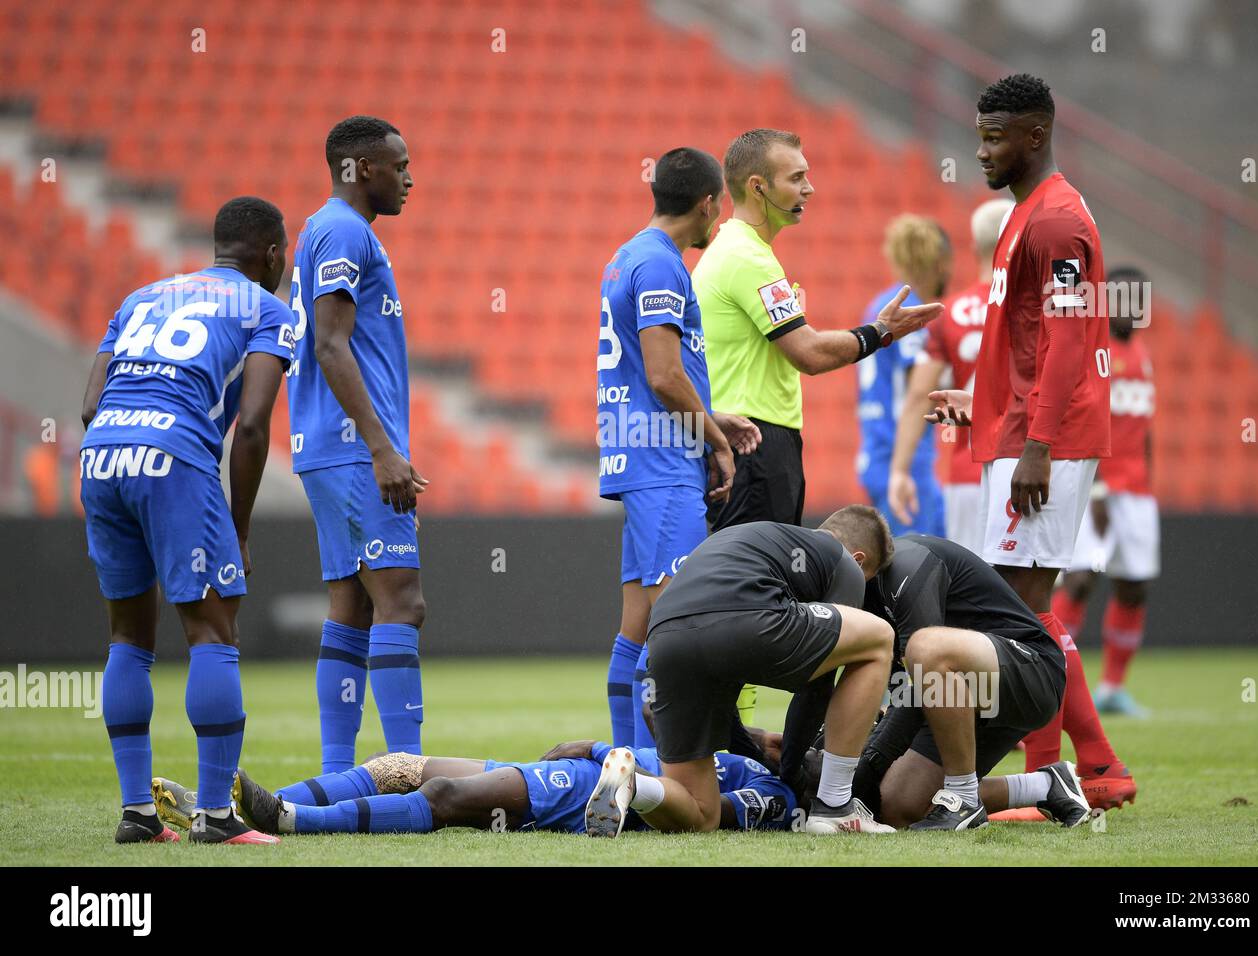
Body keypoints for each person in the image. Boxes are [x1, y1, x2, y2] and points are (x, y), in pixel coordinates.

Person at [926, 73, 1137, 811]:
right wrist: (982, 404)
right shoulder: (1025, 214)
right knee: (1021, 610)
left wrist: (1039, 443)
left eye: (995, 138)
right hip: (1021, 430)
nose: (981, 151)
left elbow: (1070, 340)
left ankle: (1072, 771)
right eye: (979, 137)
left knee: (1019, 612)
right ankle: (1082, 768)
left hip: (1046, 440)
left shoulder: (1054, 221)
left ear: (1035, 135)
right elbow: (1028, 341)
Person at [692, 128, 941, 723]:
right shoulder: (747, 258)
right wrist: (879, 334)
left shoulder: (742, 252)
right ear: (758, 186)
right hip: (754, 445)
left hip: (758, 442)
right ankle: (734, 743)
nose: (810, 187)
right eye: (797, 177)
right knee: (748, 601)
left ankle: (739, 738)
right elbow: (807, 352)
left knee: (751, 596)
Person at [79, 196, 295, 845]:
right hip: (173, 454)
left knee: (128, 637)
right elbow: (252, 426)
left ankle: (137, 815)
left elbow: (89, 405)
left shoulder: (142, 297)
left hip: (102, 453)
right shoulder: (267, 309)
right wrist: (238, 526)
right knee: (212, 632)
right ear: (272, 255)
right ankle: (215, 815)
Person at [583, 507, 899, 836]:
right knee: (879, 639)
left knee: (702, 814)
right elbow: (815, 688)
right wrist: (791, 776)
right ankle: (835, 807)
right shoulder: (842, 561)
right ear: (859, 559)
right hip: (741, 616)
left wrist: (752, 749)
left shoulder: (754, 543)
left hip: (664, 637)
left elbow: (720, 683)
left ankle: (632, 783)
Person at [597, 147, 760, 750]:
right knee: (676, 622)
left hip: (639, 453)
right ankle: (664, 767)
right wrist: (715, 441)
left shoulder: (626, 257)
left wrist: (710, 416)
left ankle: (631, 761)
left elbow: (657, 374)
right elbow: (665, 375)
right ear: (708, 204)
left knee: (638, 625)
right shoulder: (661, 264)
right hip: (663, 461)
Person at [286, 116, 427, 773]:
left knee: (354, 605)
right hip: (350, 450)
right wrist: (380, 448)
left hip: (331, 447)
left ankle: (338, 775)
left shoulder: (332, 229)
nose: (409, 178)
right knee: (402, 601)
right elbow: (329, 343)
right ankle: (407, 770)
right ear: (362, 168)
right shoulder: (343, 230)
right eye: (400, 165)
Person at [781, 531, 1087, 830]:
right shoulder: (863, 593)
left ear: (857, 560)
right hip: (957, 697)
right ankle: (1045, 786)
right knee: (897, 805)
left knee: (926, 646)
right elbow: (892, 692)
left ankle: (964, 798)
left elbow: (917, 685)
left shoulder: (908, 565)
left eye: (823, 571)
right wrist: (792, 774)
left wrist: (867, 767)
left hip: (1029, 673)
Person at [150, 736, 796, 836]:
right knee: (396, 765)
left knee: (445, 800)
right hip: (576, 774)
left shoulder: (777, 794)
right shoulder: (748, 752)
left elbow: (706, 813)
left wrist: (597, 750)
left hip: (579, 790)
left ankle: (287, 819)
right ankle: (227, 808)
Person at [1055, 266, 1158, 717]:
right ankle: (1053, 679)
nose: (1132, 309)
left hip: (1137, 491)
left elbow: (1144, 429)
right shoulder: (1093, 352)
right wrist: (1095, 488)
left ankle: (1113, 687)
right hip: (1096, 485)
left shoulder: (1143, 355)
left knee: (1134, 585)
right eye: (1124, 299)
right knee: (1080, 578)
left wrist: (1149, 484)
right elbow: (1076, 419)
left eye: (1140, 300)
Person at [888, 199, 1013, 551]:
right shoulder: (1034, 308)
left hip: (968, 473)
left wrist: (899, 471)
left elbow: (919, 396)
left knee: (971, 578)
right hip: (1025, 467)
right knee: (1027, 580)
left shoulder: (951, 312)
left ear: (974, 248)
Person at [857, 214, 952, 536]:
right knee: (918, 558)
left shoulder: (880, 305)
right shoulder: (911, 312)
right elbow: (920, 388)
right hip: (902, 456)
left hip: (877, 450)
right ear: (940, 262)